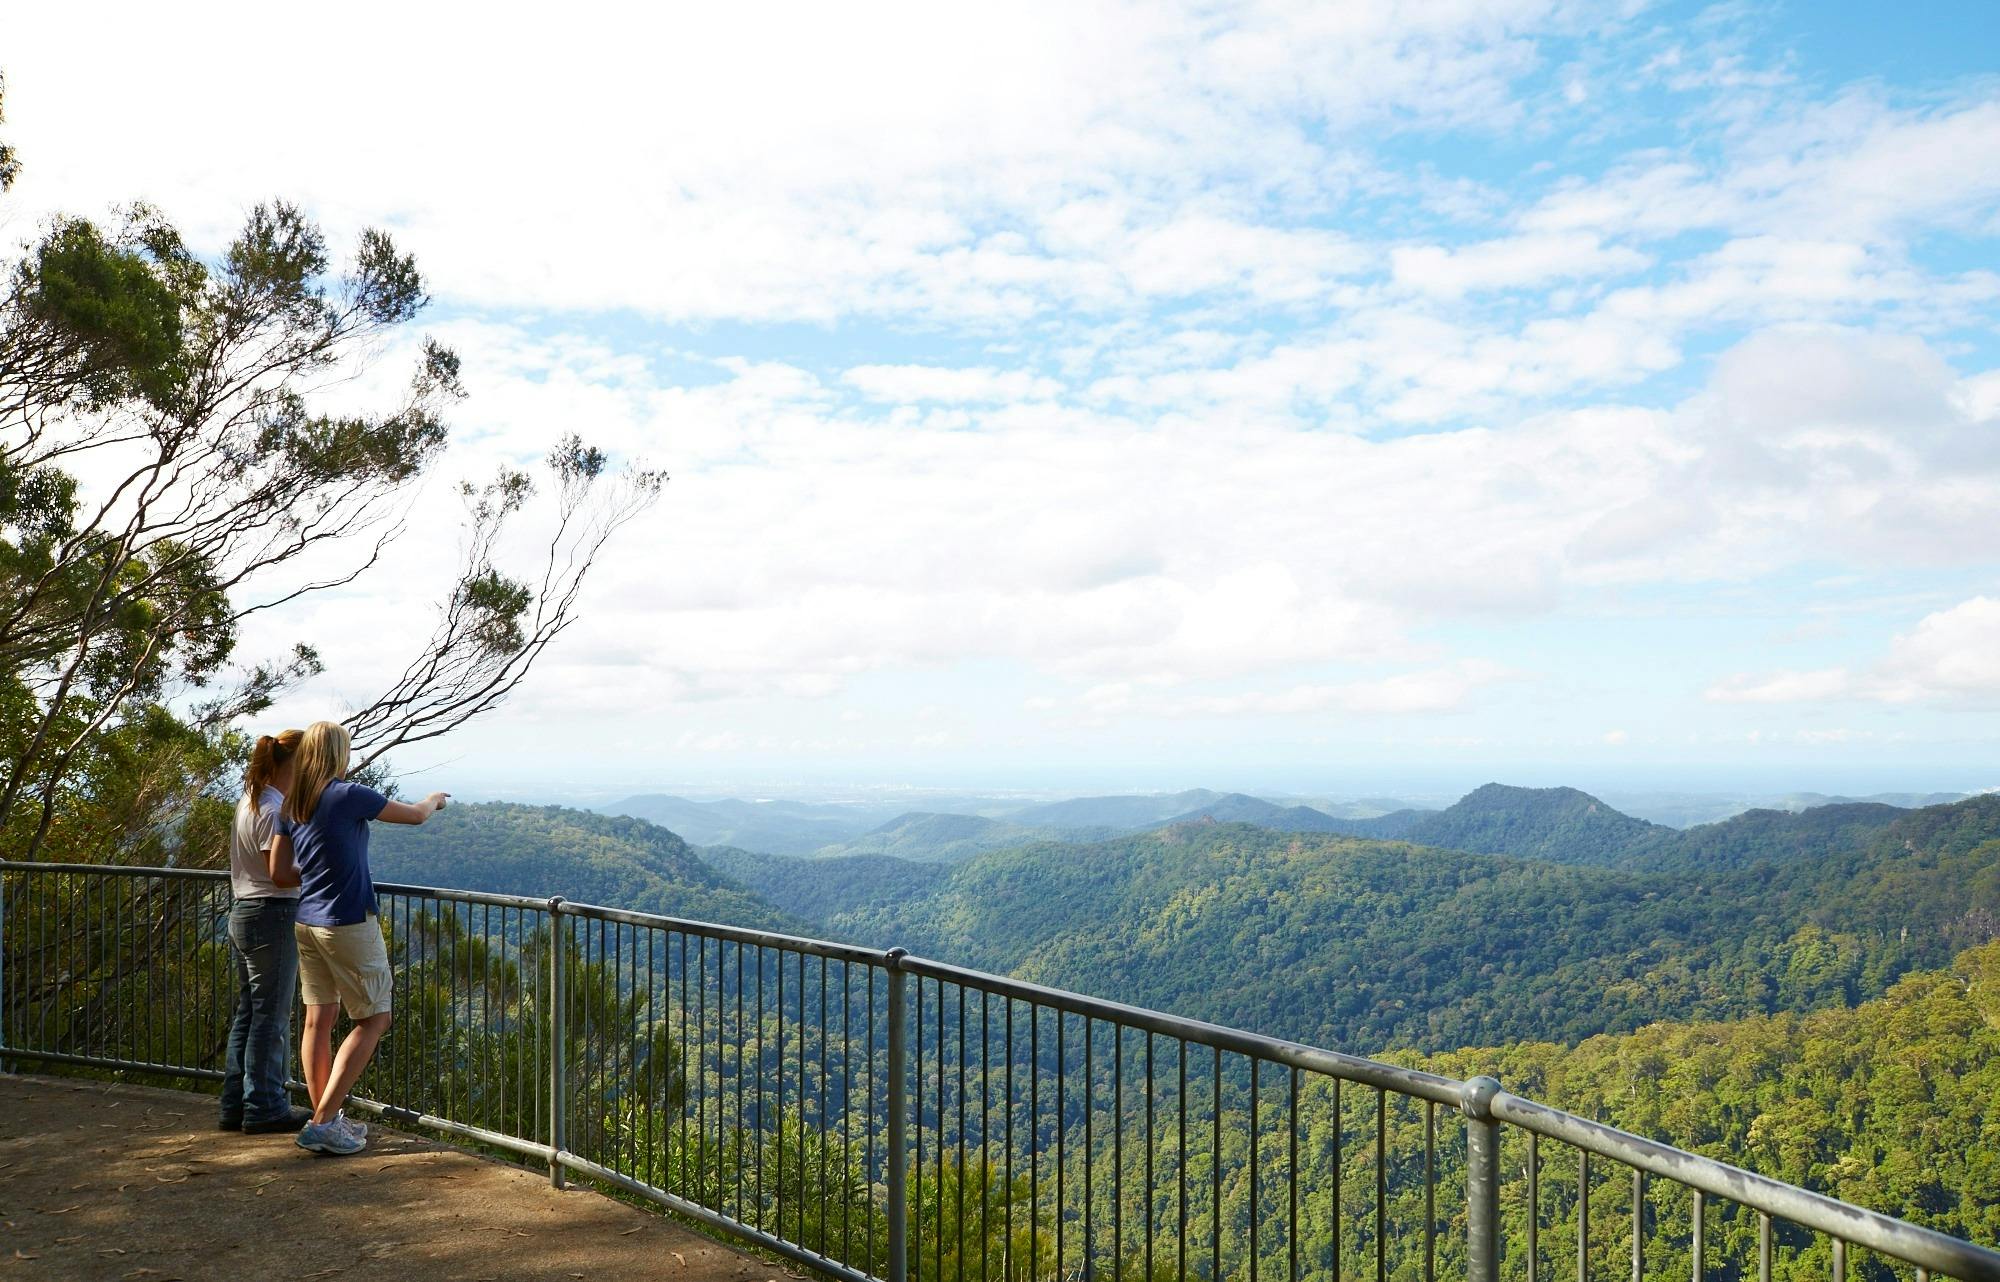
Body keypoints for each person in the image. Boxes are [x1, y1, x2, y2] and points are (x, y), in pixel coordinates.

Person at [274, 720, 448, 1156]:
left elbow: (278, 874)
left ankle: (325, 1118)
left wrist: (316, 870)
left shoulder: (291, 803)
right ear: (339, 753)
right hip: (347, 921)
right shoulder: (349, 794)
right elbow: (413, 816)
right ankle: (321, 1123)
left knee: (318, 1020)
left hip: (307, 921)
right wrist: (433, 800)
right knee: (374, 1020)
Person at [220, 729, 313, 1134]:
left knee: (250, 1014)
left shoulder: (250, 801)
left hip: (244, 911)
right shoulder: (275, 811)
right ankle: (265, 1106)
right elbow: (279, 874)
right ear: (294, 765)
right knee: (270, 1019)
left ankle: (235, 1105)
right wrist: (321, 871)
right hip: (271, 916)